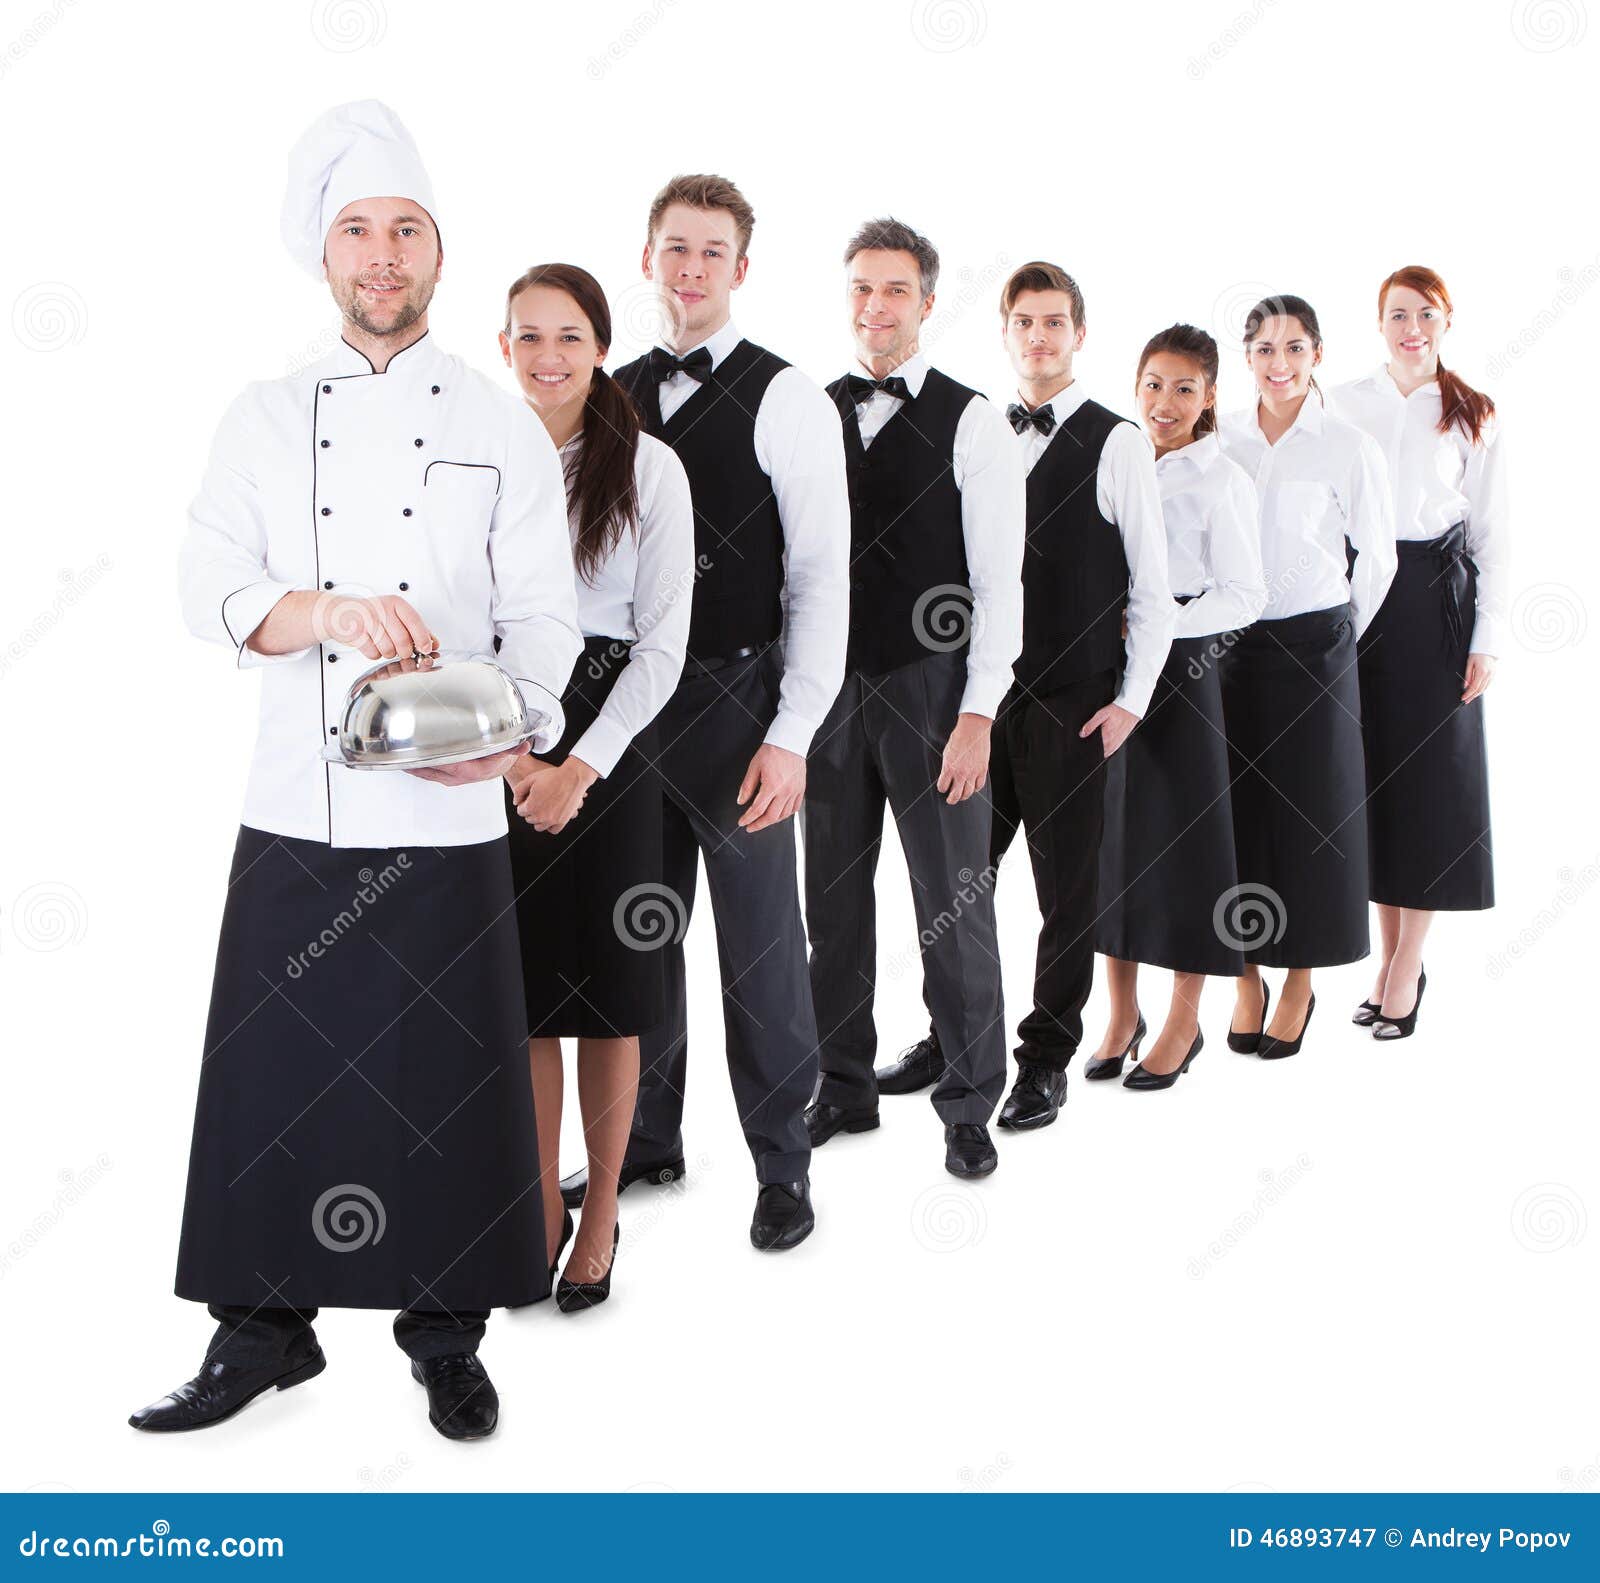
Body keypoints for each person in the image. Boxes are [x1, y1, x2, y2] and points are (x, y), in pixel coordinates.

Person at [132, 101, 582, 1440]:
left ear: (439, 252)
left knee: (446, 1079)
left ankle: (447, 1335)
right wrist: (324, 608)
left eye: (406, 230)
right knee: (274, 1077)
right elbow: (204, 583)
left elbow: (545, 619)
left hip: (448, 811)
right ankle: (261, 1332)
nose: (382, 254)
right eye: (357, 232)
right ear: (322, 254)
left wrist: (513, 729)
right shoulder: (264, 417)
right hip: (298, 802)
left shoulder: (499, 423)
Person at [559, 174, 850, 1252]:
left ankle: (784, 1163)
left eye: (711, 251)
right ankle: (646, 1139)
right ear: (647, 259)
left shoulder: (788, 396)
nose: (690, 268)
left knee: (762, 949)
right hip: (628, 706)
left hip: (740, 704)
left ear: (740, 267)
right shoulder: (607, 391)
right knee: (640, 934)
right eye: (674, 248)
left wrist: (792, 732)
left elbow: (820, 576)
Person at [885, 261, 1173, 1129]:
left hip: (1072, 702)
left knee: (1065, 895)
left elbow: (1153, 591)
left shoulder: (1117, 442)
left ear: (1079, 333)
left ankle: (1045, 1056)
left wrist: (1130, 701)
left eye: (1054, 322)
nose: (1039, 337)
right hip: (977, 702)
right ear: (1004, 332)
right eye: (1024, 322)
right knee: (953, 883)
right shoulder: (976, 428)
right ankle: (953, 1034)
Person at [802, 218, 1023, 1179]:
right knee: (830, 902)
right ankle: (842, 1085)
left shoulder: (973, 420)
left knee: (954, 903)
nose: (876, 305)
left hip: (933, 689)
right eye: (862, 286)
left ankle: (969, 1103)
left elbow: (1001, 584)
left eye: (895, 288)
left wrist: (978, 714)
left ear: (928, 302)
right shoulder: (809, 410)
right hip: (823, 689)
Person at [498, 264, 694, 1309]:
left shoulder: (651, 467)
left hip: (614, 734)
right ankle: (537, 1202)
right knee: (530, 994)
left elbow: (662, 643)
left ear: (602, 347)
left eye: (568, 335)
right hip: (503, 727)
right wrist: (513, 755)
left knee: (612, 989)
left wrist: (580, 763)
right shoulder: (480, 455)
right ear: (503, 348)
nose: (549, 356)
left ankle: (603, 1206)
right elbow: (460, 611)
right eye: (528, 336)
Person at [1217, 294, 1397, 1059]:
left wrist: (1336, 634)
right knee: (1236, 811)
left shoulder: (1347, 445)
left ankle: (1300, 978)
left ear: (1317, 353)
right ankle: (1245, 975)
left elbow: (1378, 558)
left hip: (1316, 646)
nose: (1279, 363)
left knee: (1313, 816)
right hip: (1229, 646)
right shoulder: (1221, 436)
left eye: (1294, 347)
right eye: (1264, 349)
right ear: (1246, 357)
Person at [1329, 267, 1505, 1040]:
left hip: (1437, 604)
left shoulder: (1472, 411)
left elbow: (1495, 532)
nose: (1412, 328)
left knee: (1431, 781)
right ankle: (1390, 957)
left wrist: (1487, 637)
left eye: (1426, 314)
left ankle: (1407, 964)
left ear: (1446, 322)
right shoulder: (1344, 401)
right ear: (1380, 323)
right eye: (1398, 314)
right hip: (1360, 598)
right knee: (1374, 780)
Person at [1089, 325, 1266, 1089]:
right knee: (1112, 842)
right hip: (1112, 666)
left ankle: (1183, 1019)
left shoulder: (1223, 480)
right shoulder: (1118, 457)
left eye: (1184, 388)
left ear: (1210, 396)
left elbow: (1246, 593)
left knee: (1189, 848)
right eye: (1154, 385)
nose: (1165, 403)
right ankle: (1120, 1013)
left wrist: (1161, 621)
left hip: (1186, 671)